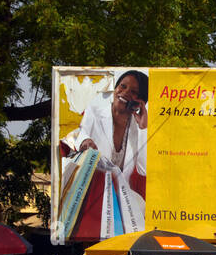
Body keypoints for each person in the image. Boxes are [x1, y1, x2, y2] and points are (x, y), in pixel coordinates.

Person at [59, 69, 149, 241]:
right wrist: (85, 141)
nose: (125, 93)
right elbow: (81, 133)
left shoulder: (139, 128)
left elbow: (143, 170)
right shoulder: (96, 109)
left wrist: (144, 128)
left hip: (123, 198)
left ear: (140, 101)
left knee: (140, 218)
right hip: (93, 190)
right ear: (115, 88)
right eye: (122, 86)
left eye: (134, 92)